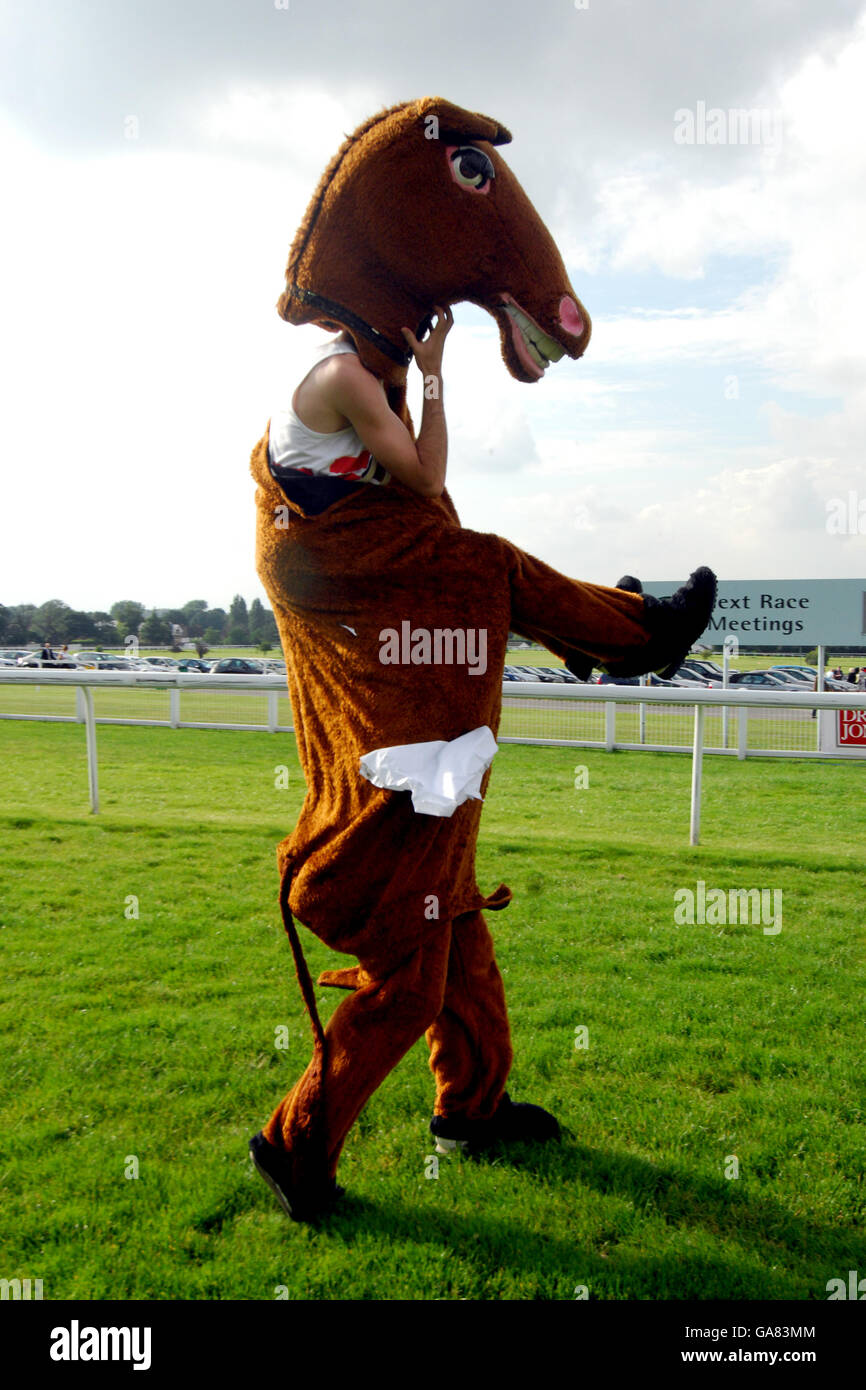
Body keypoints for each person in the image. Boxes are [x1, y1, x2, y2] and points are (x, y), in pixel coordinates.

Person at [268, 310, 453, 502]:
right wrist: (432, 373)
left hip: (294, 516)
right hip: (313, 519)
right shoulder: (347, 374)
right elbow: (430, 481)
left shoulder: (321, 356)